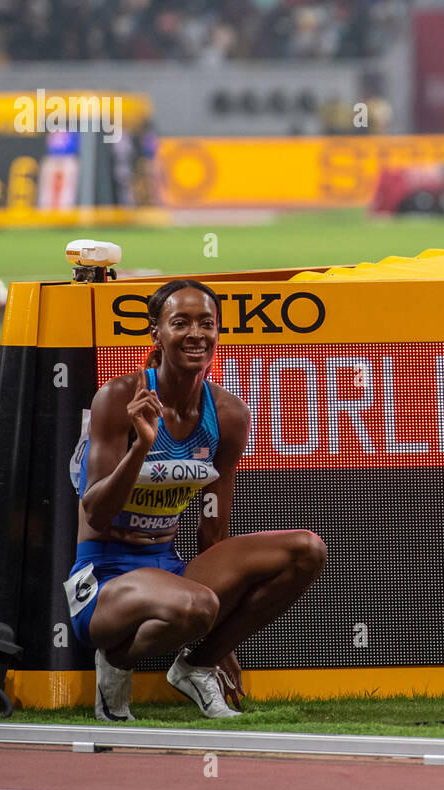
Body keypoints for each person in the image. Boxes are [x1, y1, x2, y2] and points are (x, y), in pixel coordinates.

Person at [64, 278, 327, 721]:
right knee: (198, 605)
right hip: (104, 578)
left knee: (306, 550)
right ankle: (114, 666)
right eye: (180, 323)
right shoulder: (118, 398)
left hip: (170, 568)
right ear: (157, 333)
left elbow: (212, 523)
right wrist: (141, 447)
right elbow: (97, 511)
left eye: (207, 323)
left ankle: (197, 666)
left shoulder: (228, 414)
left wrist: (217, 642)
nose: (196, 334)